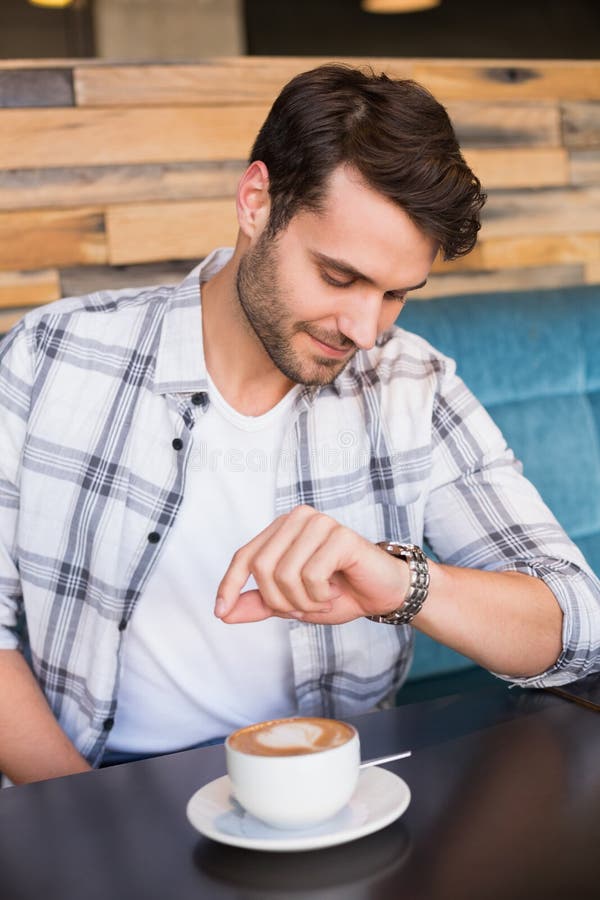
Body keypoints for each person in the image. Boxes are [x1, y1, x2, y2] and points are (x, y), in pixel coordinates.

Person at [1, 65, 599, 785]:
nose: (365, 331)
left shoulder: (411, 385)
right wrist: (82, 812)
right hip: (96, 788)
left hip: (338, 799)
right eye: (339, 278)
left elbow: (577, 628)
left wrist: (402, 585)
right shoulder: (50, 357)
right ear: (257, 201)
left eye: (396, 295)